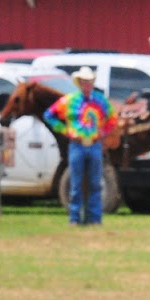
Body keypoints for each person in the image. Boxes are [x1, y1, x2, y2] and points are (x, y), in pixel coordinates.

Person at [43, 66, 114, 228]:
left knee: (95, 182)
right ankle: (74, 217)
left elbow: (112, 118)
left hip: (94, 144)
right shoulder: (69, 100)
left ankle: (94, 218)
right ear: (79, 83)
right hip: (77, 144)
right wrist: (65, 130)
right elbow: (49, 115)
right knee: (76, 182)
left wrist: (103, 132)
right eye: (84, 82)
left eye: (89, 82)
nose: (86, 85)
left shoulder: (100, 100)